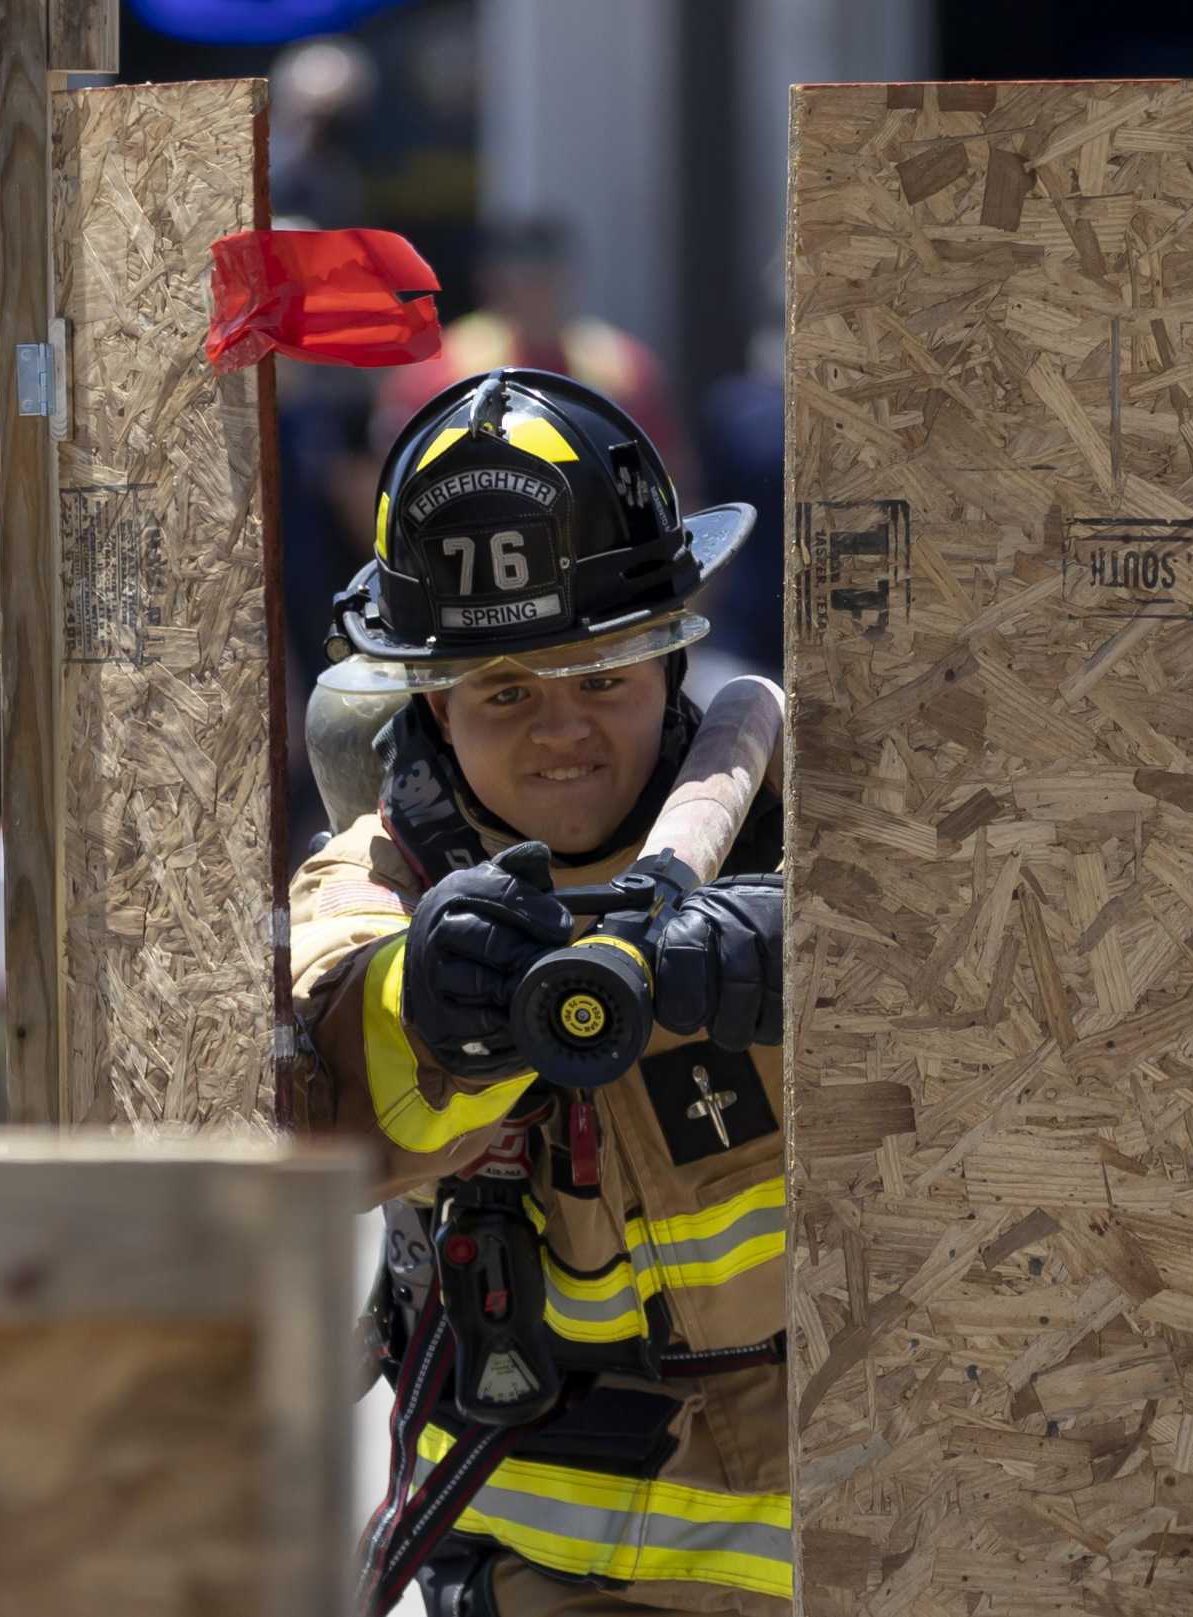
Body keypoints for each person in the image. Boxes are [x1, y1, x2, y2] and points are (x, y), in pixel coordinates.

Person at [286, 370, 789, 1616]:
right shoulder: (379, 883)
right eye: (506, 693)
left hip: (844, 1546)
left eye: (601, 677)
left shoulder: (799, 831)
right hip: (539, 1562)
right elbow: (314, 1099)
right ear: (428, 706)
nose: (562, 730)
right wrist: (431, 1008)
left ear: (674, 665)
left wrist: (821, 962)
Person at [374, 218, 696, 500]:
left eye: (546, 277)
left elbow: (669, 480)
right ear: (491, 282)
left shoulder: (623, 369)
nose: (537, 292)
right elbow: (386, 484)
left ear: (568, 279)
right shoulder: (441, 373)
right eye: (524, 279)